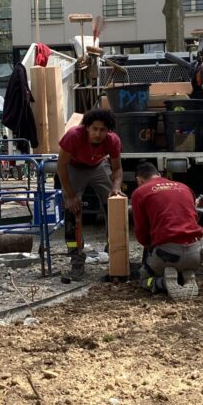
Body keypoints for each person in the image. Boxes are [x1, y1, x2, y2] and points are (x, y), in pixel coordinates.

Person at [57, 108, 123, 279]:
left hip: (98, 166)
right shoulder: (73, 135)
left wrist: (116, 187)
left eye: (103, 130)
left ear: (108, 130)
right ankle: (76, 259)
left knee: (115, 204)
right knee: (72, 213)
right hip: (74, 167)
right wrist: (70, 196)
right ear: (86, 127)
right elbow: (61, 166)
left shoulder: (113, 140)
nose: (98, 134)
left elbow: (117, 169)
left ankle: (116, 252)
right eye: (94, 129)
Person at [130, 162, 203, 300]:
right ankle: (185, 277)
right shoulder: (184, 187)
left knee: (143, 279)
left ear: (139, 180)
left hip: (167, 255)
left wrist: (150, 247)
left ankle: (162, 283)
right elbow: (192, 218)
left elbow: (141, 232)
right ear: (159, 175)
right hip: (196, 254)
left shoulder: (140, 192)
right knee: (180, 266)